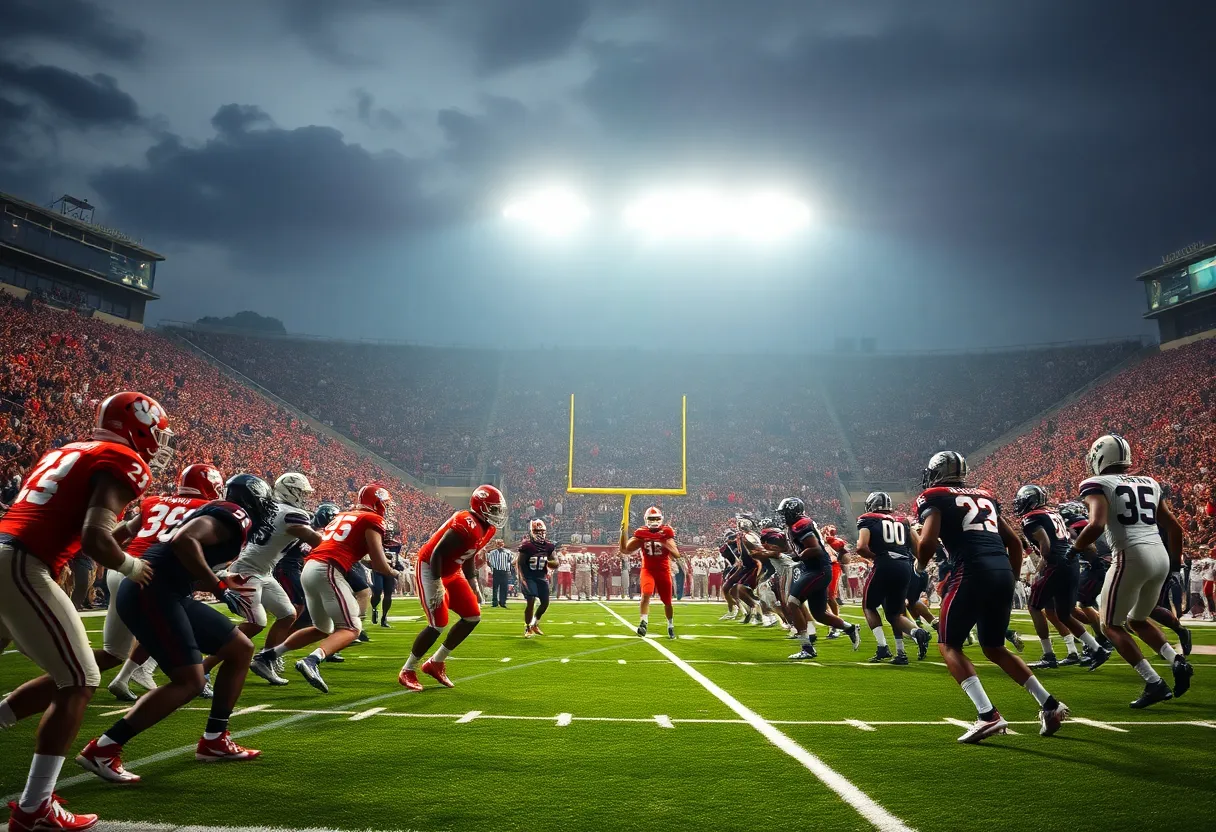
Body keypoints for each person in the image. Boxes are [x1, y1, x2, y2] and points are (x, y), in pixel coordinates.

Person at [0, 391, 168, 832]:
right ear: (140, 427)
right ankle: (36, 806)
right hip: (22, 562)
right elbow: (96, 539)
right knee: (79, 679)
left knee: (67, 674)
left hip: (9, 553)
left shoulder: (67, 450)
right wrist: (133, 566)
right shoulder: (122, 459)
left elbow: (68, 519)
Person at [74, 474, 276, 784]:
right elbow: (184, 541)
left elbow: (173, 551)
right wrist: (219, 588)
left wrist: (217, 581)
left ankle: (215, 740)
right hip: (153, 591)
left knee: (240, 647)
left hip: (163, 590)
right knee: (190, 682)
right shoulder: (234, 514)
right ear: (251, 501)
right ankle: (103, 749)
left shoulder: (217, 511)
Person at [915, 451, 1068, 743]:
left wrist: (920, 564)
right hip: (1000, 570)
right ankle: (1050, 705)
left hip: (970, 570)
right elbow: (1013, 542)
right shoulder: (985, 494)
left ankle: (988, 715)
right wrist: (1008, 577)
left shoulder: (934, 496)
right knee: (994, 647)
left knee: (949, 645)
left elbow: (928, 540)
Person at [1073, 435, 1194, 707]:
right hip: (1160, 556)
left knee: (1110, 625)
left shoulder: (1097, 483)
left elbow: (1094, 525)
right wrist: (1175, 566)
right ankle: (1177, 661)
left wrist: (1074, 549)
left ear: (1100, 457)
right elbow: (1175, 528)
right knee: (1137, 620)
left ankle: (1153, 683)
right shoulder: (1150, 482)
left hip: (1130, 555)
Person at [252, 484, 399, 693]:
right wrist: (394, 572)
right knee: (351, 628)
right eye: (385, 503)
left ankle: (267, 657)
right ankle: (311, 661)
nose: (387, 507)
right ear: (377, 502)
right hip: (328, 569)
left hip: (310, 568)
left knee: (323, 628)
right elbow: (379, 564)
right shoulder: (373, 519)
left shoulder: (345, 515)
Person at [106, 462, 226, 701]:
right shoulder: (208, 508)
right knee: (170, 626)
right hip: (153, 573)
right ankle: (182, 678)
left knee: (115, 650)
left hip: (122, 568)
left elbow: (119, 535)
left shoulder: (154, 502)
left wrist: (118, 558)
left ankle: (108, 678)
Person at [399, 485, 506, 691]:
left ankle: (436, 662)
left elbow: (470, 553)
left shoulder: (488, 528)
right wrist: (438, 582)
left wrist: (473, 582)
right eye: (493, 509)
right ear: (481, 507)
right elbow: (437, 553)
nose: (497, 514)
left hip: (453, 570)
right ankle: (408, 669)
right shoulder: (466, 521)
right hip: (431, 567)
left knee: (473, 615)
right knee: (438, 624)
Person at [230, 472, 321, 686]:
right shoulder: (292, 514)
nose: (304, 497)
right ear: (291, 491)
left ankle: (265, 660)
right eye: (301, 492)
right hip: (247, 570)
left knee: (288, 614)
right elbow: (316, 540)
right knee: (255, 623)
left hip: (262, 570)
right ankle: (204, 667)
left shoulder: (270, 509)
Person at [1016, 484, 1110, 670]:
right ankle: (1097, 648)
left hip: (1055, 563)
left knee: (1034, 607)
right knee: (1064, 614)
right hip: (1071, 562)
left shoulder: (1031, 518)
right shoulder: (1054, 513)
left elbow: (1045, 543)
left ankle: (1048, 655)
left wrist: (1041, 567)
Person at [773, 497, 860, 660]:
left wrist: (799, 557)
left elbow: (815, 548)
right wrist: (792, 556)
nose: (783, 516)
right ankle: (850, 628)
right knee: (819, 614)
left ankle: (807, 647)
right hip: (815, 569)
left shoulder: (800, 524)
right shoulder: (795, 525)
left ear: (793, 512)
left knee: (793, 602)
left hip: (817, 569)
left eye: (785, 513)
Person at [856, 492, 931, 665]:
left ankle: (882, 647)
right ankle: (914, 635)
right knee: (895, 613)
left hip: (884, 564)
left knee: (869, 606)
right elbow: (919, 547)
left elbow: (861, 547)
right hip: (905, 566)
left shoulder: (868, 518)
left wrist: (876, 557)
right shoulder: (903, 520)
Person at [620, 506, 687, 639]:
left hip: (663, 570)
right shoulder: (641, 533)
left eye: (656, 518)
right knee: (646, 593)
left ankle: (670, 624)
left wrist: (665, 542)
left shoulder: (666, 532)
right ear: (646, 519)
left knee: (667, 601)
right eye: (651, 518)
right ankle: (643, 622)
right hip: (648, 569)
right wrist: (622, 533)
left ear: (661, 519)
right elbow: (625, 550)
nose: (654, 521)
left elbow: (676, 554)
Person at [517, 519, 556, 636]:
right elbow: (520, 563)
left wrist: (549, 562)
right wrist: (522, 578)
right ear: (532, 532)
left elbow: (555, 562)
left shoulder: (549, 546)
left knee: (545, 603)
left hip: (541, 576)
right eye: (537, 531)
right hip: (529, 576)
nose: (540, 533)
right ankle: (528, 626)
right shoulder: (527, 546)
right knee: (531, 600)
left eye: (542, 531)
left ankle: (535, 623)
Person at [371, 525, 404, 628]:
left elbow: (396, 558)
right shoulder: (377, 542)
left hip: (389, 571)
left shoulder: (396, 545)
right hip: (378, 570)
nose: (388, 534)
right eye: (387, 532)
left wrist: (398, 566)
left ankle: (384, 618)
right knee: (377, 591)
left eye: (390, 532)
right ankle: (374, 608)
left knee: (388, 594)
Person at [485, 538, 514, 608]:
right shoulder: (492, 552)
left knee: (504, 587)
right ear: (496, 545)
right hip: (496, 571)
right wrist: (492, 568)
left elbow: (511, 561)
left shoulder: (508, 552)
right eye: (498, 544)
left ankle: (503, 602)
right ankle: (494, 602)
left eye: (501, 544)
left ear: (503, 544)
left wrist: (509, 570)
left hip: (504, 571)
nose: (500, 545)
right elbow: (488, 561)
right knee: (495, 587)